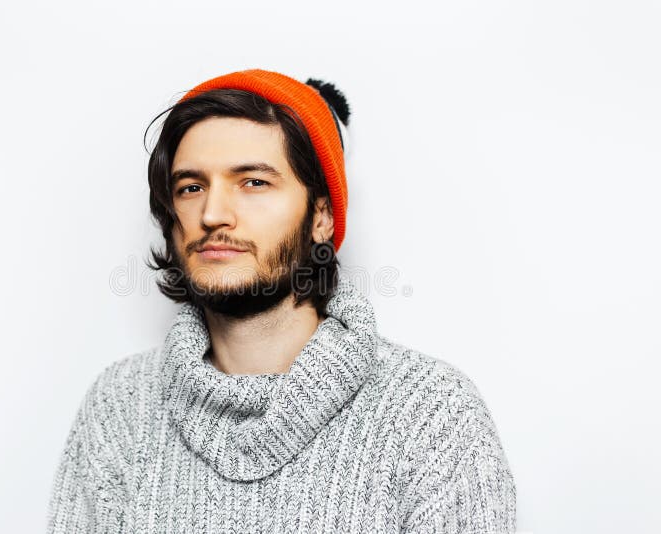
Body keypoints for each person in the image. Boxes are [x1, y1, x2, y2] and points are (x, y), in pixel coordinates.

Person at [46, 69, 517, 533]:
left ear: (321, 218)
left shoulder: (430, 414)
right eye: (191, 187)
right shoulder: (119, 407)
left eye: (253, 182)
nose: (212, 214)